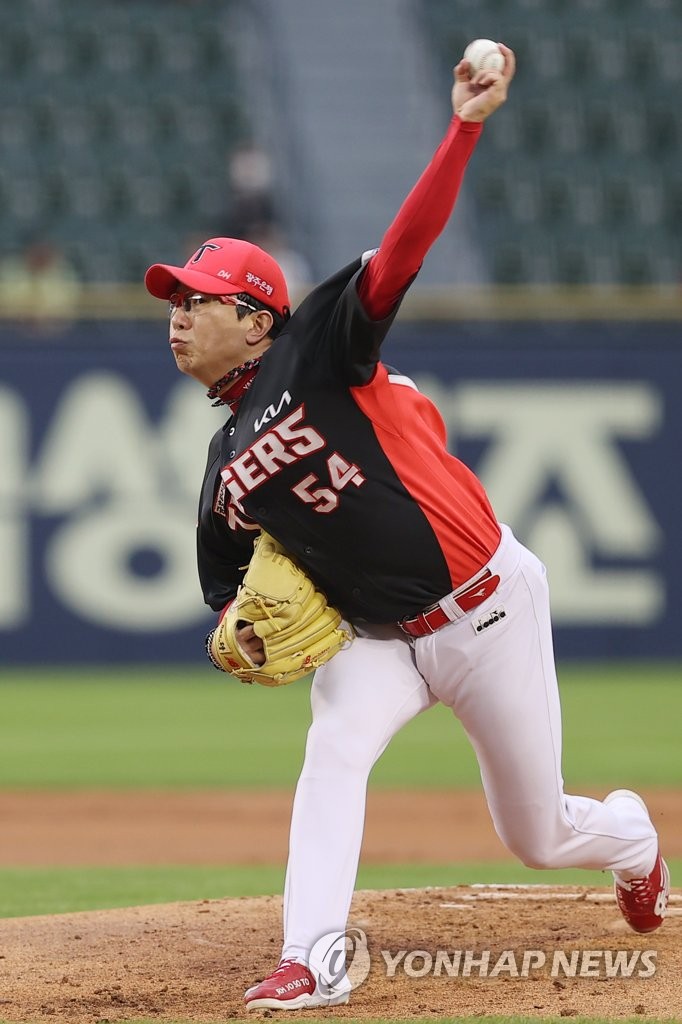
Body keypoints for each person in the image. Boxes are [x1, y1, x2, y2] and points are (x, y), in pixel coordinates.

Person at [144, 47, 669, 1012]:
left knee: (538, 836)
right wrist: (238, 633)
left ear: (258, 320)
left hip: (487, 612)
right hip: (375, 643)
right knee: (333, 751)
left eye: (196, 300)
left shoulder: (319, 347)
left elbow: (402, 251)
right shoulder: (223, 472)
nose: (176, 316)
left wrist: (464, 126)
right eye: (173, 301)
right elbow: (222, 591)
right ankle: (311, 956)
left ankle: (632, 838)